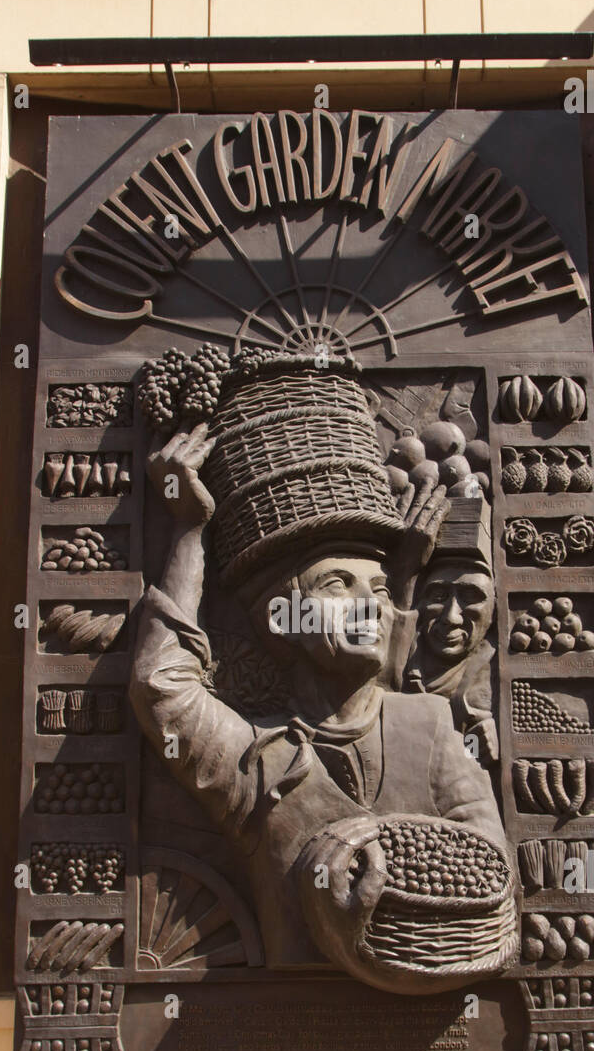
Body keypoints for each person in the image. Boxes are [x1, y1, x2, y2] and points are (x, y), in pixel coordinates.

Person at [130, 422, 514, 993]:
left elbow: (488, 867)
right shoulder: (257, 762)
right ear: (281, 621)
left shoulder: (428, 726)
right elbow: (163, 688)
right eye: (339, 585)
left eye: (381, 590)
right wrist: (188, 529)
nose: (371, 607)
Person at [406, 556, 499, 765]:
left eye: (470, 599)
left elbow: (470, 758)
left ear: (494, 611)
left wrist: (499, 736)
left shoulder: (499, 670)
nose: (451, 618)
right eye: (438, 597)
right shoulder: (399, 661)